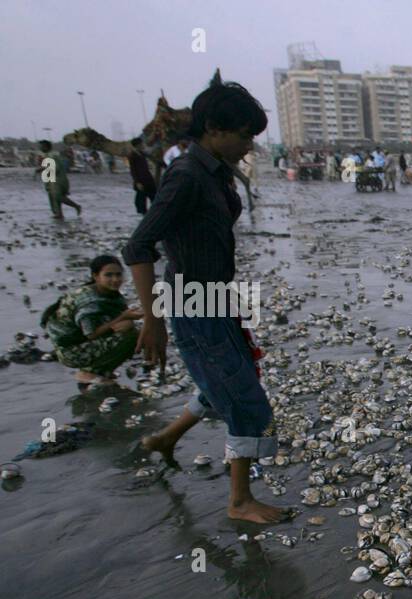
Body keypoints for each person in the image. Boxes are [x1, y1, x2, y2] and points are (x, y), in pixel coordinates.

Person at [125, 76, 283, 525]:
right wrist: (152, 321)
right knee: (246, 401)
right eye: (244, 135)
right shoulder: (187, 176)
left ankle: (165, 439)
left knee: (228, 381)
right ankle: (238, 501)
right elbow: (138, 247)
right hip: (193, 301)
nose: (248, 145)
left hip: (216, 297)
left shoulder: (213, 170)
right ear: (214, 128)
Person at [41, 255, 141, 387]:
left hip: (78, 341)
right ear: (96, 276)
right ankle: (89, 373)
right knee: (132, 336)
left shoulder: (105, 292)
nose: (115, 279)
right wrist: (123, 318)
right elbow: (91, 334)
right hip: (71, 351)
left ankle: (102, 369)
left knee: (131, 329)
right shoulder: (89, 302)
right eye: (108, 275)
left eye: (118, 275)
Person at [35, 140, 81, 219]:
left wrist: (42, 169)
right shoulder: (47, 155)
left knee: (57, 196)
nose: (40, 148)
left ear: (46, 147)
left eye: (41, 146)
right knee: (54, 197)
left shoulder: (52, 155)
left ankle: (76, 206)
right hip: (53, 179)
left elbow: (56, 168)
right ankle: (59, 214)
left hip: (58, 179)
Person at [128, 137, 156, 215]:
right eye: (141, 143)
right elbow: (133, 170)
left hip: (148, 178)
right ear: (138, 145)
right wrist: (137, 182)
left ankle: (153, 211)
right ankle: (143, 212)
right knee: (141, 198)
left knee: (153, 195)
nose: (143, 145)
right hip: (141, 180)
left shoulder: (142, 153)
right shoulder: (132, 155)